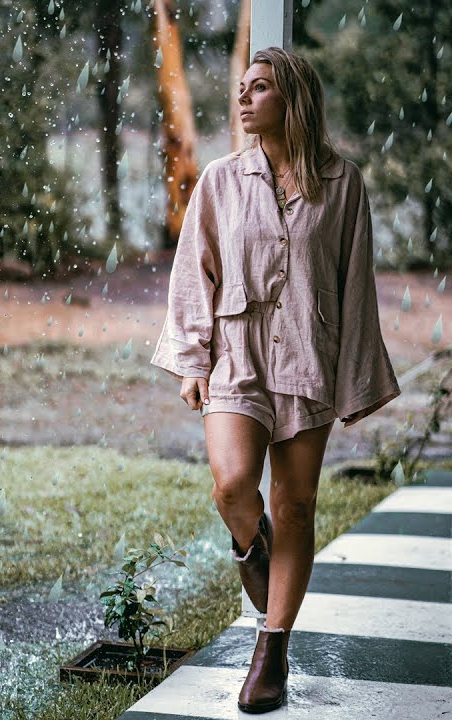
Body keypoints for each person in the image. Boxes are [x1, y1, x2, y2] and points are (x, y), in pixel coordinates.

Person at [150, 47, 400, 713]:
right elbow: (193, 271)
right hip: (237, 354)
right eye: (242, 87)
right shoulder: (221, 181)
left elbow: (355, 286)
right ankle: (249, 545)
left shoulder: (342, 184)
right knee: (233, 486)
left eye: (259, 87)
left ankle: (272, 649)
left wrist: (356, 380)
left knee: (296, 506)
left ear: (294, 99)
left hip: (308, 359)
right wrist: (193, 360)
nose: (243, 97)